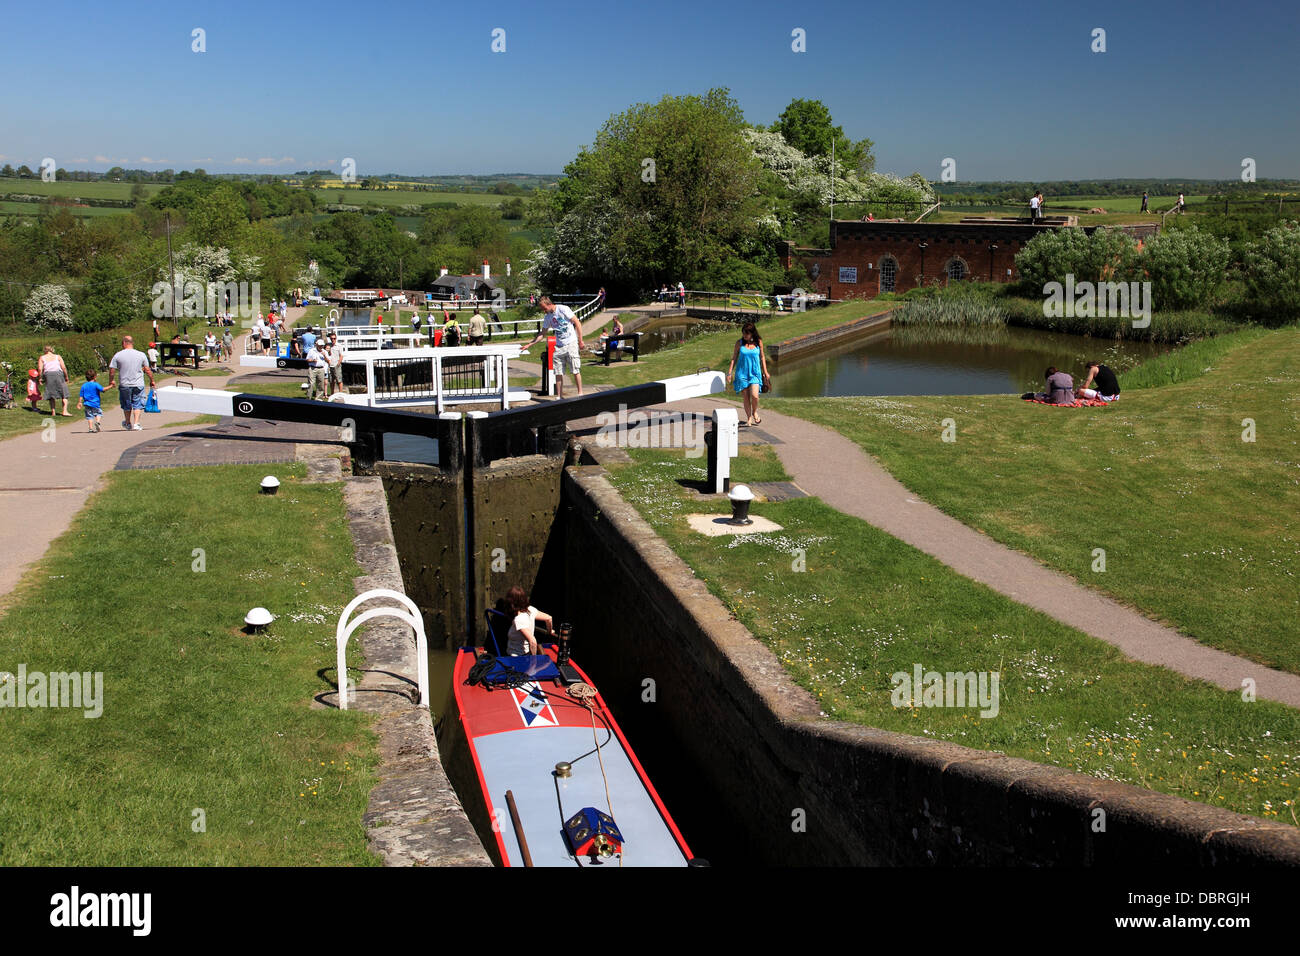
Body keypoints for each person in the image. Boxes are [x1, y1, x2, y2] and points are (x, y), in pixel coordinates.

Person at [524, 295, 585, 398]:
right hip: (559, 345)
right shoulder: (548, 317)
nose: (544, 311)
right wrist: (531, 343)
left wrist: (580, 340)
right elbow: (543, 333)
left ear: (549, 304)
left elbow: (577, 322)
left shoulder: (563, 309)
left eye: (544, 308)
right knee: (558, 371)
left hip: (571, 342)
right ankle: (559, 396)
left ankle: (580, 393)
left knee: (575, 369)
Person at [106, 335, 156, 431]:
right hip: (138, 383)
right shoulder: (141, 354)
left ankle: (128, 423)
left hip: (124, 383)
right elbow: (147, 369)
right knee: (137, 403)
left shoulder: (118, 355)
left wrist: (111, 380)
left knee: (126, 403)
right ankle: (136, 423)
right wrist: (152, 380)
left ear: (124, 343)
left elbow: (112, 370)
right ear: (132, 343)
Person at [726, 321, 770, 426]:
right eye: (743, 333)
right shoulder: (739, 343)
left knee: (755, 395)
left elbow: (762, 357)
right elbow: (734, 358)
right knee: (746, 396)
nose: (744, 336)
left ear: (752, 333)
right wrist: (729, 373)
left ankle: (754, 412)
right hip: (742, 373)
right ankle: (749, 418)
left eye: (746, 333)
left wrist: (766, 371)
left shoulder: (758, 342)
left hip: (755, 373)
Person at [503, 586, 553, 656]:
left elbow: (533, 642)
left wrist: (534, 660)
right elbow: (549, 618)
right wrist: (549, 631)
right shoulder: (530, 609)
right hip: (524, 654)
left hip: (517, 657)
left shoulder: (518, 619)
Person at [38, 345, 71, 416]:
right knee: (64, 393)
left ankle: (53, 411)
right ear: (52, 350)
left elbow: (40, 369)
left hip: (48, 375)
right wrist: (66, 376)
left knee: (51, 393)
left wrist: (40, 378)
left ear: (45, 350)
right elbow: (64, 367)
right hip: (58, 374)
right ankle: (64, 411)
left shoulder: (42, 357)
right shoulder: (58, 356)